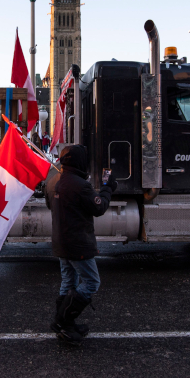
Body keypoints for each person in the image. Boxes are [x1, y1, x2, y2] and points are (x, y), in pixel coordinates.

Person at [45, 144, 116, 345]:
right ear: (79, 161)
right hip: (77, 243)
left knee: (68, 281)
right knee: (92, 282)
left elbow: (50, 204)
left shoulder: (53, 181)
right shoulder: (80, 185)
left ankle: (65, 323)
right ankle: (63, 321)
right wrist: (108, 188)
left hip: (61, 240)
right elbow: (99, 207)